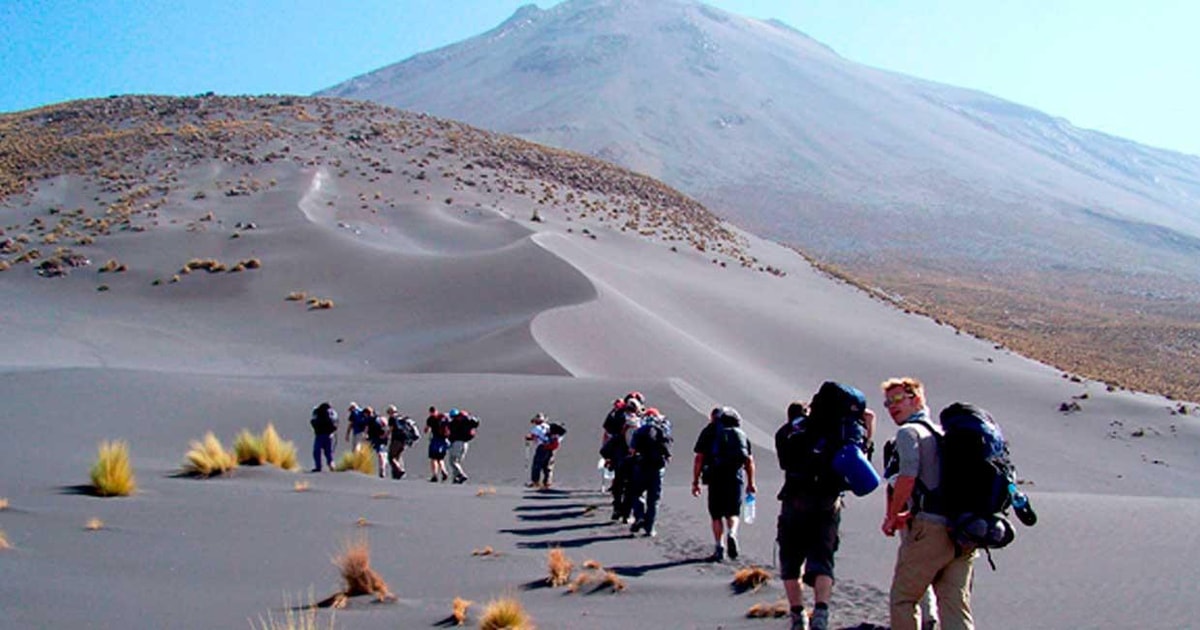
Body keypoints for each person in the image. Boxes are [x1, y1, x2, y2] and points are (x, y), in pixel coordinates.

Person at [881, 377, 975, 630]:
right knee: (955, 604)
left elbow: (907, 476)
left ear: (917, 399)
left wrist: (892, 515)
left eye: (899, 399)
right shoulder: (945, 435)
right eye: (888, 402)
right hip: (964, 531)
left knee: (903, 599)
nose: (892, 406)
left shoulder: (908, 433)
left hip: (930, 531)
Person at [775, 397, 876, 630]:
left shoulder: (787, 432)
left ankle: (797, 615)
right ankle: (821, 613)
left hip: (794, 501)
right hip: (828, 503)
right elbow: (862, 446)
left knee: (790, 560)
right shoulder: (836, 430)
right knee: (823, 559)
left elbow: (784, 463)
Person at [692, 406, 756, 562]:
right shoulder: (739, 433)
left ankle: (719, 546)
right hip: (735, 477)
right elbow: (749, 460)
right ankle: (732, 533)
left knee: (716, 515)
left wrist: (695, 481)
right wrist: (751, 482)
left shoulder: (709, 432)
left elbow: (699, 458)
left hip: (714, 477)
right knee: (732, 512)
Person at [626, 407, 673, 537]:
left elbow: (632, 450)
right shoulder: (663, 429)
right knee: (654, 500)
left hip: (641, 466)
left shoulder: (640, 431)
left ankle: (639, 516)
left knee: (637, 493)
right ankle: (650, 527)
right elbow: (668, 450)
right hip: (657, 468)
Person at [525, 413, 562, 488]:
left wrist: (528, 438)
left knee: (537, 465)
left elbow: (533, 436)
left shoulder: (538, 428)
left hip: (542, 447)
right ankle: (547, 482)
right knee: (547, 465)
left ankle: (535, 482)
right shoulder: (549, 427)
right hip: (551, 448)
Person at [447, 408, 478, 484]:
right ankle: (456, 479)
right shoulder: (466, 422)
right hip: (465, 444)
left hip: (457, 443)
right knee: (457, 462)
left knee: (453, 461)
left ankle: (461, 475)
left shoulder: (454, 423)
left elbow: (450, 435)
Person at [386, 406, 418, 480]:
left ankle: (400, 470)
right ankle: (396, 474)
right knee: (398, 456)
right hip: (404, 441)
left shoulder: (392, 419)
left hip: (396, 440)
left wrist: (385, 436)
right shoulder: (401, 418)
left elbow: (391, 429)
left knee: (391, 457)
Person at [309, 401, 338, 472]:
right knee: (328, 452)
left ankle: (318, 467)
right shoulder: (331, 414)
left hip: (320, 435)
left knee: (317, 451)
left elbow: (313, 422)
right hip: (328, 435)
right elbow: (335, 425)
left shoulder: (317, 413)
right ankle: (331, 466)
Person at [424, 406, 450, 482]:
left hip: (436, 440)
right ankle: (444, 472)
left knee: (433, 458)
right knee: (440, 458)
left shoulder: (430, 419)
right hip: (444, 440)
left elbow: (426, 430)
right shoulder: (444, 417)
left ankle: (434, 475)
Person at [363, 406, 388, 478]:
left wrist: (365, 436)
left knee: (376, 453)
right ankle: (382, 469)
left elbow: (366, 429)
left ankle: (379, 469)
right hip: (380, 438)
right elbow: (386, 427)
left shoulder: (370, 419)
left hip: (375, 439)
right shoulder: (380, 418)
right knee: (381, 454)